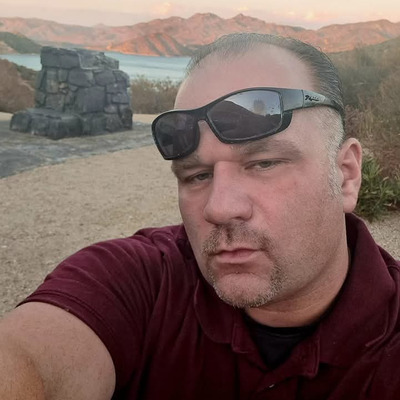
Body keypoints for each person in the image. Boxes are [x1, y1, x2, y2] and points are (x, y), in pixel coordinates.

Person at [0, 32, 399, 400]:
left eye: (264, 163)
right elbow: (31, 357)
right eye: (197, 175)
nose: (218, 208)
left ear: (346, 175)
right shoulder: (139, 282)